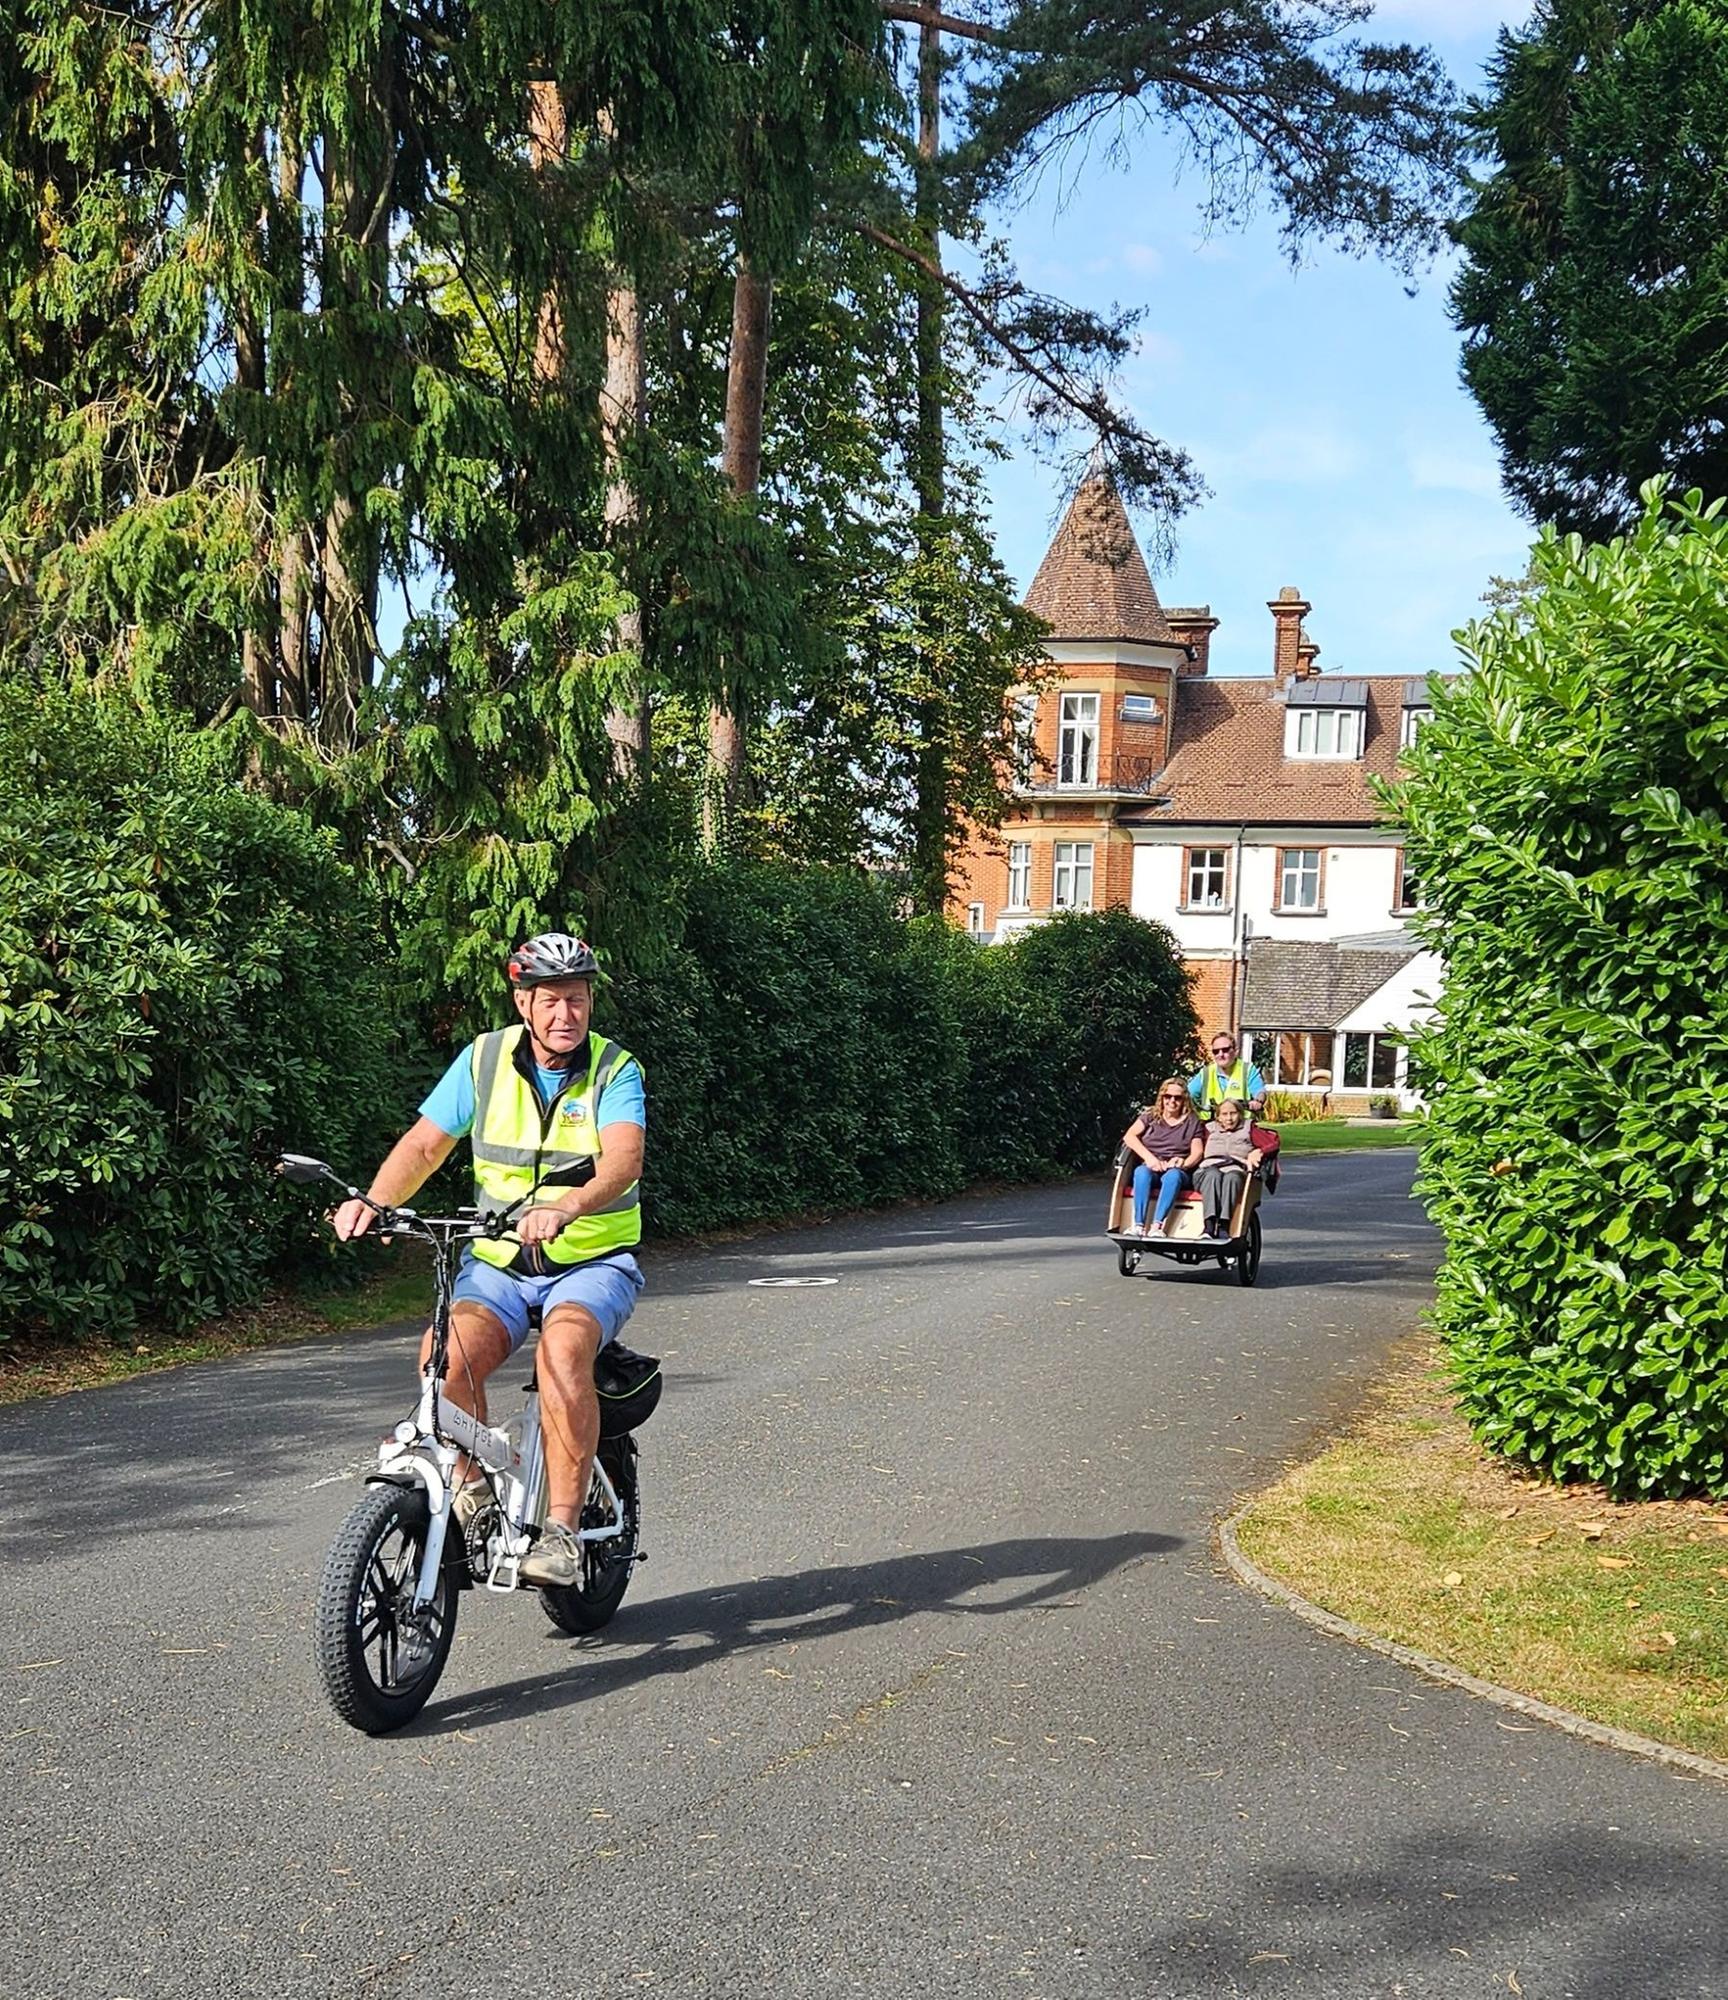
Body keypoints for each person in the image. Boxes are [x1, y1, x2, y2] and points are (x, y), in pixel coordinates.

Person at [333, 933, 645, 1588]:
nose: (568, 1015)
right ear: (523, 1003)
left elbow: (622, 1161)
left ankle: (559, 1531)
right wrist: (374, 1201)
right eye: (553, 1001)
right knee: (439, 1361)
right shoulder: (483, 1061)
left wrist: (569, 1206)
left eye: (579, 1000)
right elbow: (424, 1146)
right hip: (500, 1267)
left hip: (591, 1262)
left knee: (560, 1356)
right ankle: (472, 1496)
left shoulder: (616, 1070)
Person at [1120, 1082, 1204, 1235]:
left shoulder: (1192, 1121)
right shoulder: (1150, 1115)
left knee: (1172, 1176)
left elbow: (1197, 1152)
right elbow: (1129, 1136)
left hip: (1177, 1170)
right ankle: (1138, 1225)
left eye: (1177, 1098)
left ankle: (1158, 1226)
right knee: (1141, 1172)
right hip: (1152, 1165)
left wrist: (1183, 1163)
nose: (1172, 1101)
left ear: (1184, 1099)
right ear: (1162, 1097)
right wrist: (1150, 1159)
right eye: (1168, 1096)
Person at [1192, 1097, 1265, 1239]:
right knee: (1213, 1175)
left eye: (1233, 1113)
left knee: (1232, 1177)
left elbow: (1272, 1142)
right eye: (1224, 1114)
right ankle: (1209, 1225)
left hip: (1235, 1168)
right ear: (1218, 1117)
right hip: (1208, 1169)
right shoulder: (1208, 1128)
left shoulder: (1248, 1128)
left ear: (1240, 1114)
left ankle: (1225, 1225)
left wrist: (1259, 1151)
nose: (1229, 1118)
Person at [1188, 1029, 1267, 1122]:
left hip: (1241, 1126)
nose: (1220, 1054)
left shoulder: (1247, 1070)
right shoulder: (1206, 1073)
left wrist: (1258, 1102)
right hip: (1211, 1125)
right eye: (1216, 1051)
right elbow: (1188, 1094)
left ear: (1235, 1051)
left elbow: (1259, 1091)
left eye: (1225, 1050)